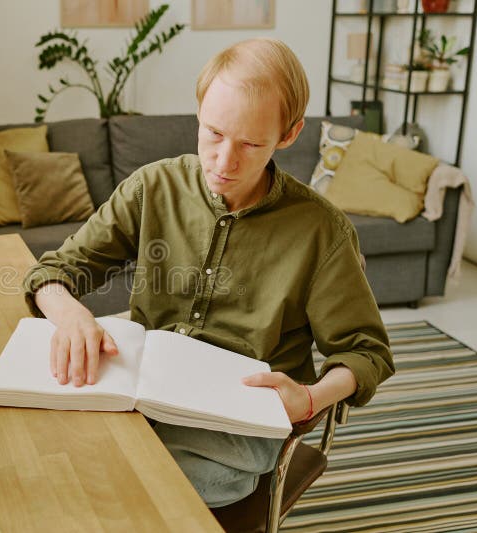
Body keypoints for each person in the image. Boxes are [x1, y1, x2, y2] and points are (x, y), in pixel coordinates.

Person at [22, 38, 394, 508]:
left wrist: (310, 396)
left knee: (130, 493)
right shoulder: (153, 187)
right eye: (213, 133)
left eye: (251, 143)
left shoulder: (321, 230)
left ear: (289, 134)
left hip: (238, 422)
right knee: (50, 457)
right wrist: (70, 313)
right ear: (198, 112)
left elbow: (366, 352)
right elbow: (56, 270)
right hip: (144, 392)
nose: (224, 161)